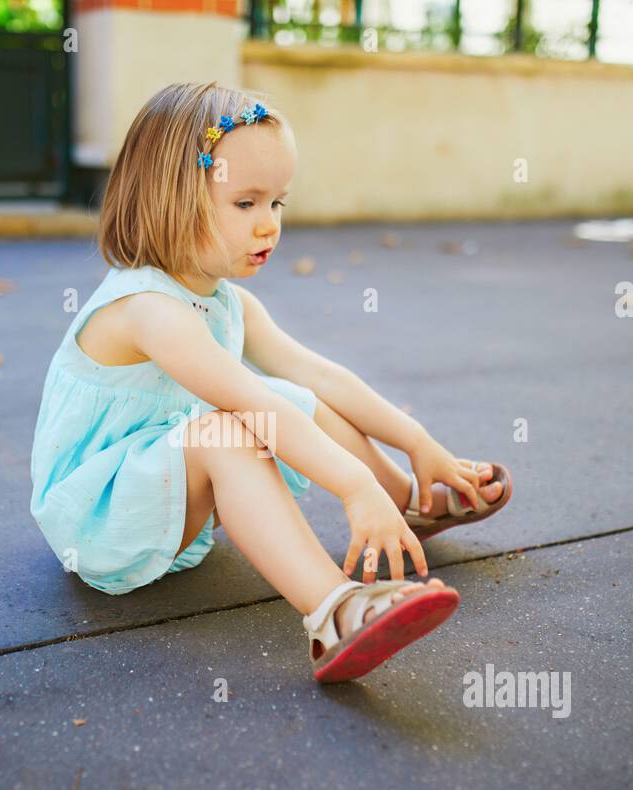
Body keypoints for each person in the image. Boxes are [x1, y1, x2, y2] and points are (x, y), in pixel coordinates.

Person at [31, 81, 511, 683]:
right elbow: (252, 405)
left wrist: (417, 442)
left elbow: (318, 376)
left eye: (278, 203)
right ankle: (335, 611)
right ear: (170, 199)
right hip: (100, 524)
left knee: (293, 398)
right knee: (232, 429)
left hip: (164, 499)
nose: (269, 226)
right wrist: (349, 484)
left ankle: (404, 501)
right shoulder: (149, 310)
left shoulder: (227, 303)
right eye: (245, 203)